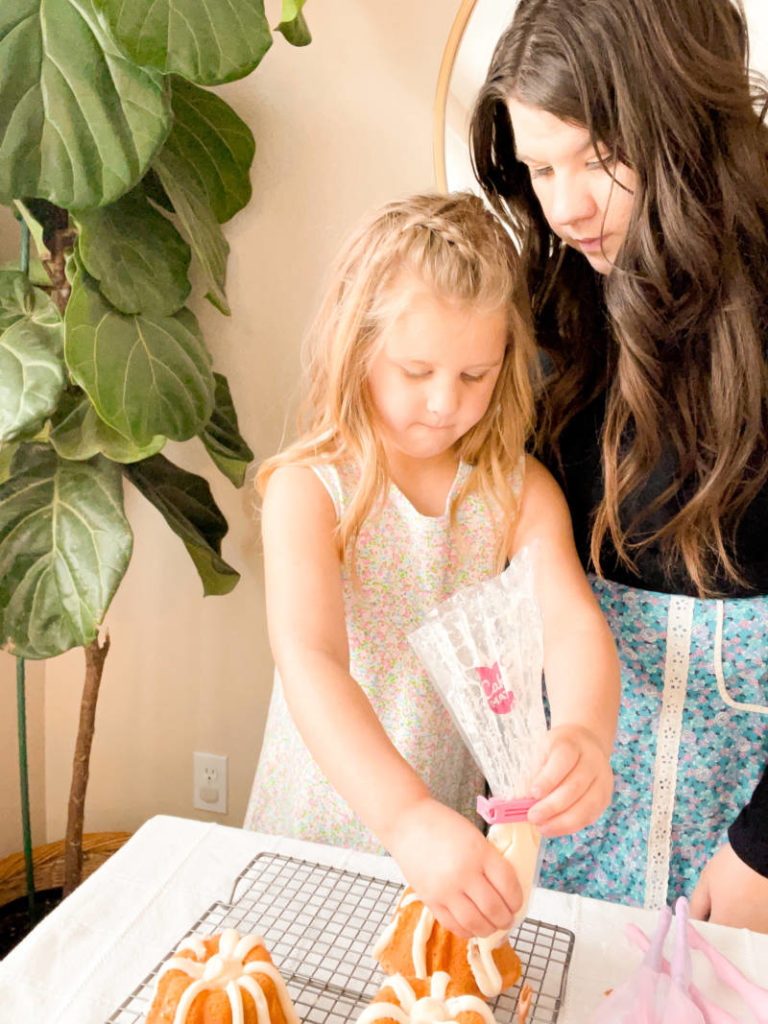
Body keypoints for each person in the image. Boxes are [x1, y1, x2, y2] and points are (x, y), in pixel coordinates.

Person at [245, 191, 620, 939]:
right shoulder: (309, 490)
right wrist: (406, 818)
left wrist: (584, 733)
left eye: (475, 375)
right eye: (416, 370)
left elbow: (572, 624)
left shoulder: (516, 489)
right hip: (319, 828)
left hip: (449, 849)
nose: (446, 403)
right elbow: (311, 662)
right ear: (359, 349)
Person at [470, 0, 768, 929]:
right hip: (570, 828)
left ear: (684, 120)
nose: (565, 207)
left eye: (597, 157)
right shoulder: (551, 307)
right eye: (539, 168)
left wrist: (764, 855)